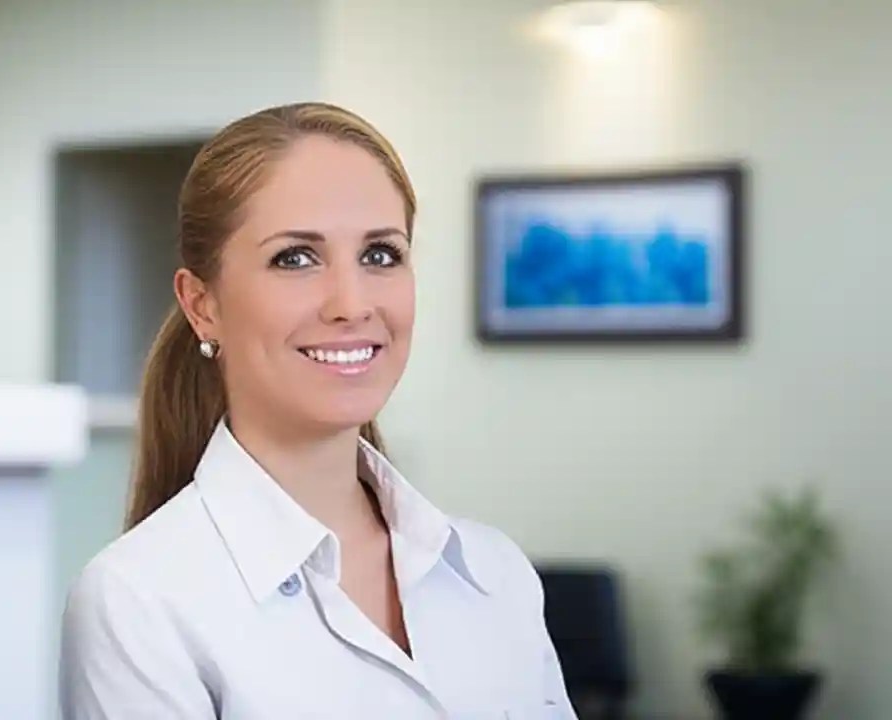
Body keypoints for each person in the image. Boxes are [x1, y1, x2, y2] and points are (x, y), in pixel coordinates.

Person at [58, 102, 576, 719]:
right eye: (295, 258)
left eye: (381, 254)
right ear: (202, 304)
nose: (351, 303)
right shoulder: (138, 601)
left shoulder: (497, 573)